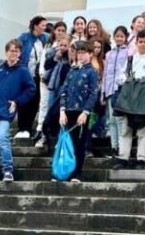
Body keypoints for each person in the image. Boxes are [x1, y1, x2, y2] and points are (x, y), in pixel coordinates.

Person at [0, 39, 37, 183]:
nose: (13, 53)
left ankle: (8, 170)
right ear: (6, 52)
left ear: (20, 53)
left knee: (2, 140)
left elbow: (31, 89)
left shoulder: (23, 70)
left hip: (5, 111)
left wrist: (17, 102)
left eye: (16, 51)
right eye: (11, 50)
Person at [114, 30, 145, 169]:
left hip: (144, 97)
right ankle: (123, 158)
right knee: (125, 129)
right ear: (136, 42)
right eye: (140, 42)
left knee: (143, 130)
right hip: (130, 97)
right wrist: (128, 80)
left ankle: (141, 159)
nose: (143, 44)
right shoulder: (131, 59)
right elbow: (121, 76)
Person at [56, 41, 99, 183]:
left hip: (82, 113)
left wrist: (85, 112)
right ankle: (63, 173)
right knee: (66, 142)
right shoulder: (72, 70)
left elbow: (93, 94)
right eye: (78, 52)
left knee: (79, 144)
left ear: (90, 54)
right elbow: (64, 91)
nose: (80, 55)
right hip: (68, 111)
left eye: (83, 52)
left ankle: (76, 173)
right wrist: (62, 111)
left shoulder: (92, 72)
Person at [15, 16, 49, 140]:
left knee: (35, 102)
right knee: (24, 101)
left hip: (39, 76)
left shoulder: (46, 38)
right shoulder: (24, 37)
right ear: (35, 26)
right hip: (25, 74)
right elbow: (16, 50)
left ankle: (28, 128)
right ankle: (21, 128)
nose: (45, 28)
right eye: (42, 25)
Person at [39, 36, 73, 149]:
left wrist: (69, 57)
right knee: (50, 110)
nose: (62, 48)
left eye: (65, 45)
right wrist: (55, 58)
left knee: (62, 113)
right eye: (61, 45)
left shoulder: (71, 56)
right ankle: (47, 136)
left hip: (66, 88)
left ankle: (60, 137)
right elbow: (46, 66)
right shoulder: (53, 54)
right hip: (54, 87)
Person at [103, 26, 129, 158]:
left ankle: (120, 147)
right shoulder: (109, 54)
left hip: (121, 90)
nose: (119, 38)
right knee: (111, 120)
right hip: (109, 90)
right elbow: (106, 73)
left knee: (119, 120)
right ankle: (113, 147)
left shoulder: (128, 52)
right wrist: (104, 91)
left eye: (121, 36)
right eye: (117, 36)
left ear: (125, 38)